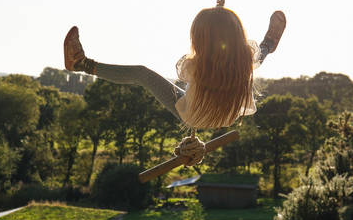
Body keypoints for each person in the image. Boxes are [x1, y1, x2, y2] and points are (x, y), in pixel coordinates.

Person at [64, 7, 285, 130]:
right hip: (225, 117)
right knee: (256, 55)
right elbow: (252, 56)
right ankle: (269, 44)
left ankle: (81, 63)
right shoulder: (243, 58)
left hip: (195, 115)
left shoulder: (195, 66)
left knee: (142, 74)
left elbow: (183, 72)